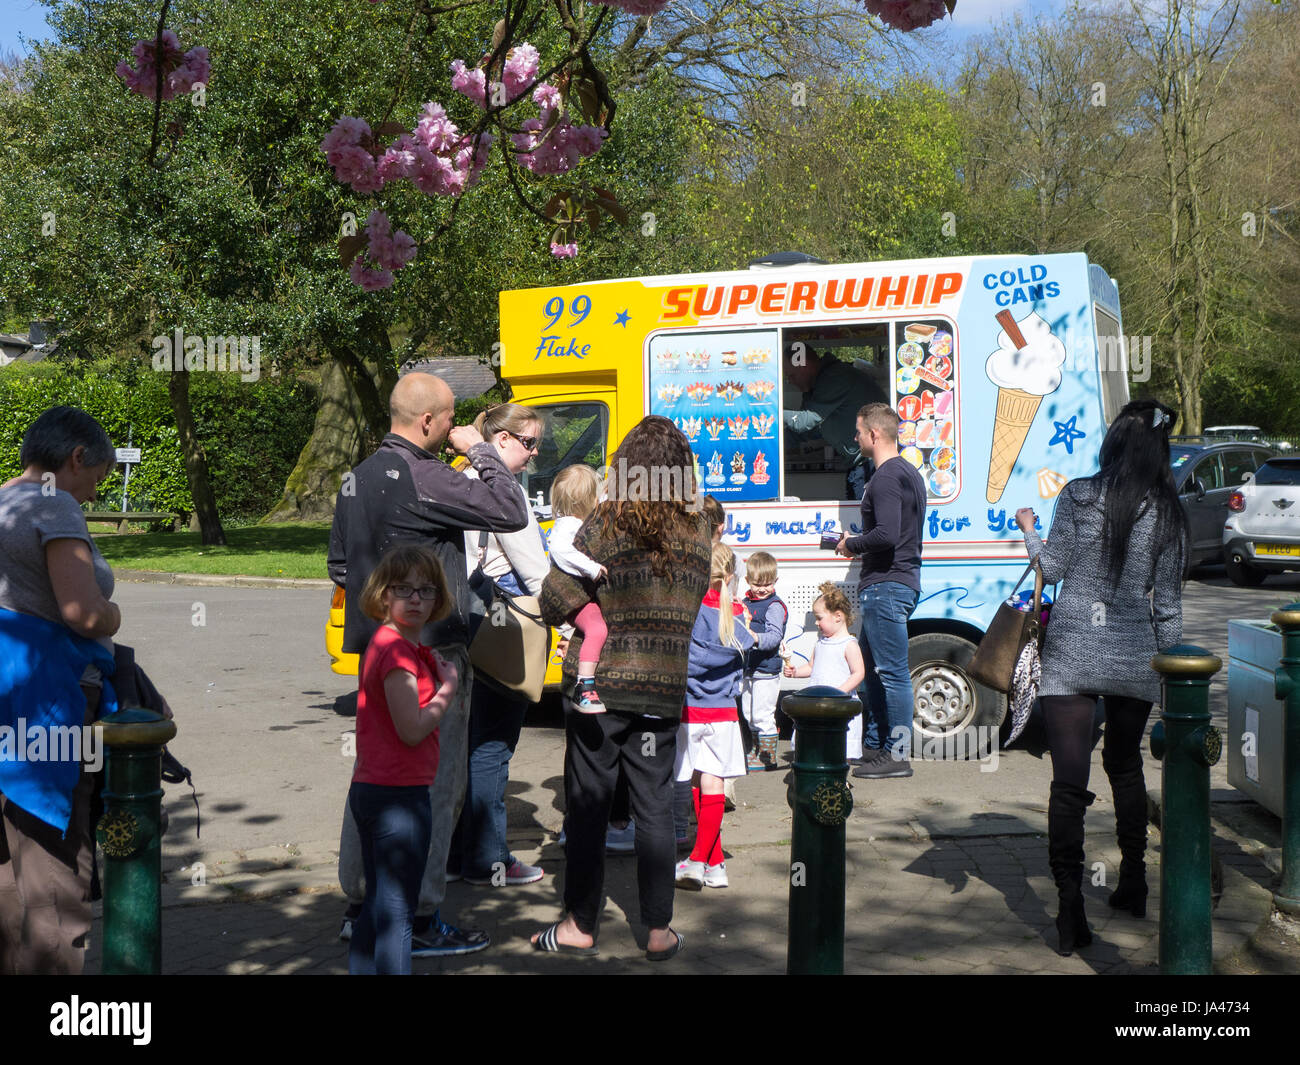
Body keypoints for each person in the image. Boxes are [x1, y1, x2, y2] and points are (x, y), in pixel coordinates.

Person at [329, 372, 530, 957]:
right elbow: (508, 510)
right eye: (448, 421)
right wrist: (484, 451)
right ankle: (419, 917)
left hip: (375, 649)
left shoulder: (355, 477)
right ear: (427, 422)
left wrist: (383, 611)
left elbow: (340, 565)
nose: (452, 430)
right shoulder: (426, 474)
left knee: (372, 775)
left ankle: (361, 905)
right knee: (435, 785)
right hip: (431, 650)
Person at [532, 415, 711, 959]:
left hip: (599, 688)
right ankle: (657, 931)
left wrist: (590, 617)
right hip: (661, 692)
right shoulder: (700, 528)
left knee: (588, 805)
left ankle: (578, 925)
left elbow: (552, 588)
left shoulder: (606, 523)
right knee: (656, 808)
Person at [1014, 399, 1185, 956]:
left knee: (1069, 780)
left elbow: (1052, 569)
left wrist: (1029, 530)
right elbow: (1168, 607)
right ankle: (1134, 881)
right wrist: (1172, 674)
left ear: (1113, 444)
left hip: (1072, 656)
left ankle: (1069, 907)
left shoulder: (1079, 495)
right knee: (1125, 766)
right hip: (1134, 655)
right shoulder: (1167, 512)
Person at [0, 406, 120, 975]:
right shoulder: (55, 503)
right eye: (97, 477)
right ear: (76, 458)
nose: (93, 494)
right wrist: (111, 614)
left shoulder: (4, 499)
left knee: (7, 880)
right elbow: (81, 612)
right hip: (47, 702)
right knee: (53, 880)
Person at [450, 403, 549, 887]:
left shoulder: (453, 479)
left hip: (458, 624)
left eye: (537, 444)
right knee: (493, 745)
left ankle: (452, 854)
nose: (534, 453)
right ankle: (489, 859)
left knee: (464, 744)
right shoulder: (503, 491)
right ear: (501, 439)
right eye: (528, 442)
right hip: (500, 627)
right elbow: (536, 571)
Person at [349, 545, 457, 975]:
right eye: (404, 589)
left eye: (426, 590)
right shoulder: (396, 652)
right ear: (383, 595)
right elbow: (411, 729)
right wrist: (448, 689)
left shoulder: (395, 643)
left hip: (381, 790)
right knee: (397, 916)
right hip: (397, 798)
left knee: (378, 906)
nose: (415, 599)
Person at [835, 404, 926, 779]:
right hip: (892, 582)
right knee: (873, 673)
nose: (855, 439)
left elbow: (887, 534)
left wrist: (850, 544)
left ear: (874, 434)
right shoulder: (908, 473)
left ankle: (898, 754)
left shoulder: (887, 476)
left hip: (887, 584)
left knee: (891, 673)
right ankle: (876, 747)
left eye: (858, 432)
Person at [675, 543, 754, 890]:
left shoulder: (689, 611)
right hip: (723, 712)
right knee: (712, 784)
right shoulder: (737, 613)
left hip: (690, 710)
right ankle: (715, 863)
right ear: (731, 576)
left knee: (698, 782)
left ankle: (696, 861)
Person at [783, 346, 889, 498]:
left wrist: (771, 412)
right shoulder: (816, 387)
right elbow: (809, 430)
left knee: (866, 517)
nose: (791, 382)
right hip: (861, 464)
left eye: (792, 376)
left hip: (872, 465)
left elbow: (803, 422)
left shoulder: (833, 377)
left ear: (804, 365)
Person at [545, 464, 608, 714]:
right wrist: (592, 568)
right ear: (586, 500)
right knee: (597, 628)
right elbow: (561, 551)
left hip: (578, 596)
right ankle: (585, 684)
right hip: (572, 597)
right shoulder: (568, 525)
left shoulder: (577, 522)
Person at [783, 582, 866, 759]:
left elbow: (858, 673)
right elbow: (812, 667)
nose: (816, 622)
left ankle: (839, 781)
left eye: (819, 618)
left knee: (840, 745)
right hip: (818, 704)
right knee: (818, 743)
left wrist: (839, 692)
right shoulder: (821, 642)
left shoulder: (848, 644)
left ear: (837, 616)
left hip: (840, 705)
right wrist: (796, 672)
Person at [740, 551, 787, 771]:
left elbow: (775, 636)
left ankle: (767, 756)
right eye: (758, 583)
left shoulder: (774, 606)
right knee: (749, 714)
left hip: (767, 669)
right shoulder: (745, 602)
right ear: (748, 581)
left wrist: (755, 638)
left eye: (767, 584)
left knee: (763, 713)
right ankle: (756, 750)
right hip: (749, 668)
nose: (762, 588)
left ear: (775, 581)